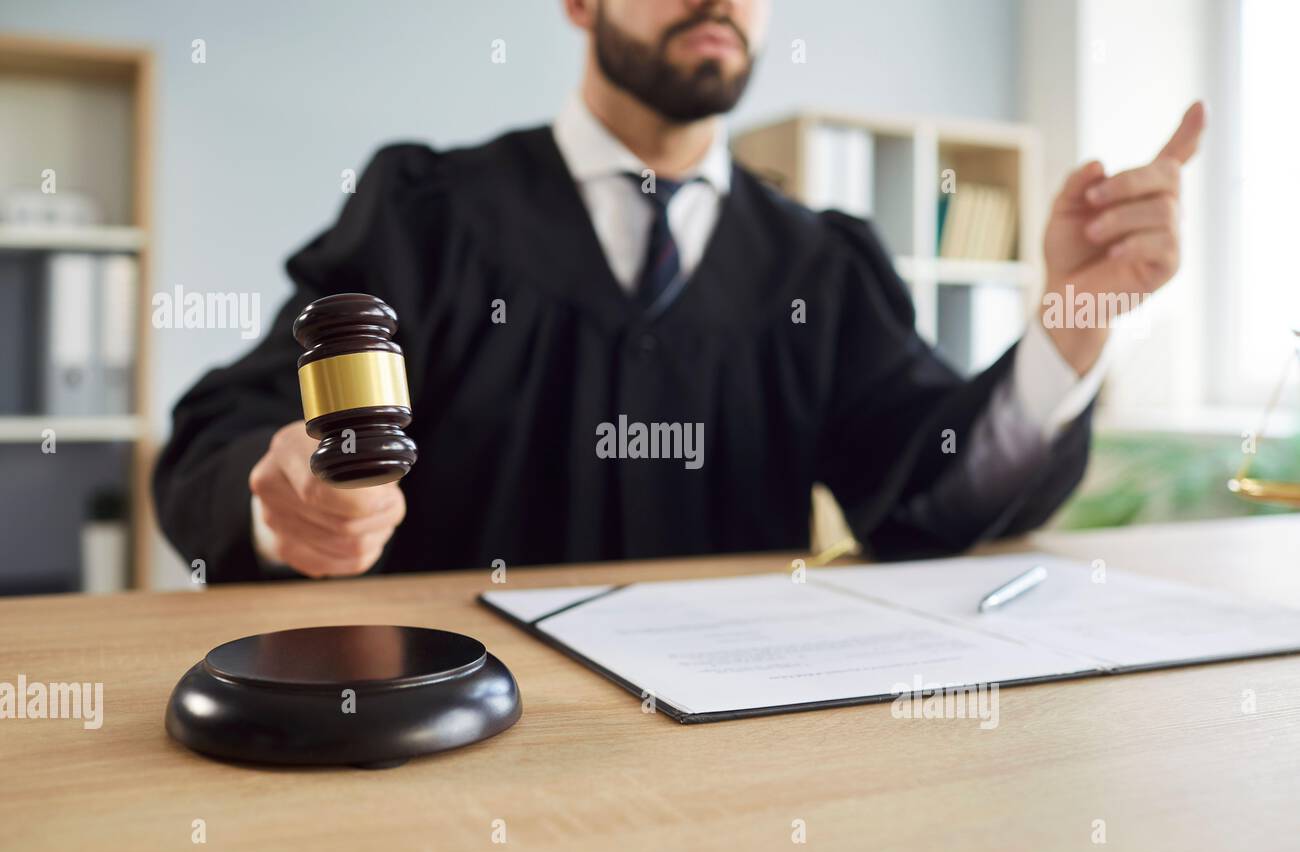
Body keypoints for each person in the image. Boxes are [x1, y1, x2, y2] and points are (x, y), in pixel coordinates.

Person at [153, 0, 1204, 582]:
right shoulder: (425, 215)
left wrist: (1074, 321)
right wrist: (286, 505)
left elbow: (924, 493)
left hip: (731, 770)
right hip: (453, 751)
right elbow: (225, 435)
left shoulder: (822, 266)